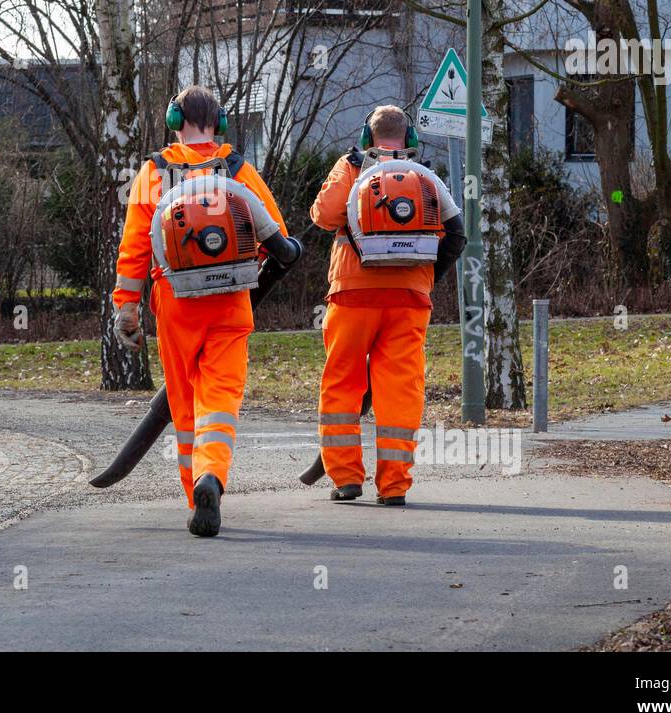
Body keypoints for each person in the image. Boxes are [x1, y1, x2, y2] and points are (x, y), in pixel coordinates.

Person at [111, 85, 290, 537]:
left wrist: (126, 311)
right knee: (222, 397)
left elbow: (134, 250)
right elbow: (280, 241)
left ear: (175, 120)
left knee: (185, 400)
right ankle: (214, 475)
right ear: (221, 123)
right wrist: (246, 272)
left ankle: (196, 494)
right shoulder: (239, 171)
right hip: (231, 302)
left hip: (174, 302)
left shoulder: (153, 174)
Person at [308, 104, 466, 505]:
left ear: (367, 137)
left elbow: (324, 216)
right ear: (409, 138)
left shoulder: (352, 166)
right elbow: (457, 234)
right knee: (400, 390)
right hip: (409, 300)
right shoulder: (425, 176)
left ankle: (346, 479)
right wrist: (426, 279)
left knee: (342, 383)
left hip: (352, 295)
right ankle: (394, 485)